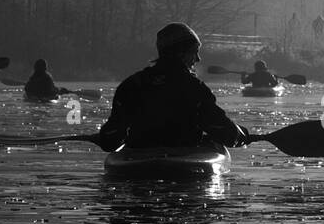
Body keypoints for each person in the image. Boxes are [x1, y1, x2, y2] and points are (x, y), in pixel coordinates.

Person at [99, 23, 251, 150]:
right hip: (183, 169)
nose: (197, 59)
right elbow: (225, 133)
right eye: (194, 52)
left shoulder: (132, 84)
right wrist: (239, 134)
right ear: (181, 53)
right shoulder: (194, 87)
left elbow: (110, 140)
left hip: (138, 164)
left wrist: (107, 137)